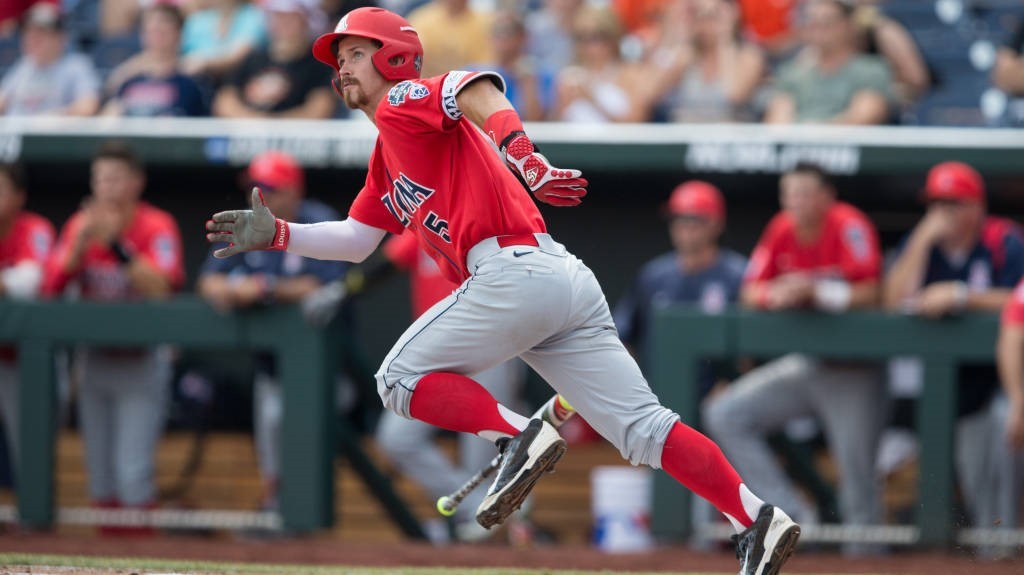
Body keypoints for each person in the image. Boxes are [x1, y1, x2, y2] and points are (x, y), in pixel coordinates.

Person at [205, 8, 799, 573]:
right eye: (340, 58)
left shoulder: (401, 104)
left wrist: (526, 156)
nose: (343, 67)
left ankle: (520, 436)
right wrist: (281, 233)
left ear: (393, 60)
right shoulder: (389, 154)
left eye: (357, 52)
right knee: (647, 429)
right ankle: (754, 516)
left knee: (397, 380)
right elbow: (358, 239)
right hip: (558, 280)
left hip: (513, 271)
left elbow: (476, 87)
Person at [702, 162, 886, 555]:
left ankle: (865, 560)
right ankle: (792, 517)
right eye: (790, 194)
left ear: (826, 196)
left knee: (857, 486)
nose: (796, 202)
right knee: (726, 413)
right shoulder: (782, 227)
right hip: (808, 365)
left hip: (855, 370)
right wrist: (780, 294)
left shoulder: (848, 223)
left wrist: (817, 292)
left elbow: (872, 291)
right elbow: (751, 291)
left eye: (805, 193)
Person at [43, 141, 184, 535]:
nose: (108, 186)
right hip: (95, 360)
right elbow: (50, 288)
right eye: (101, 178)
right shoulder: (78, 225)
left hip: (141, 361)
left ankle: (141, 560)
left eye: (117, 177)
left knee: (133, 472)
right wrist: (79, 245)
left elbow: (162, 287)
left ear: (136, 182)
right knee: (101, 474)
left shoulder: (157, 224)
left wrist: (117, 248)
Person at [883, 161, 1024, 552]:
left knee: (998, 445)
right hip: (941, 385)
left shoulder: (1003, 239)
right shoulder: (922, 241)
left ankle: (1004, 547)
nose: (945, 212)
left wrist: (962, 295)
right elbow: (892, 300)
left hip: (999, 377)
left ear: (977, 205)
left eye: (954, 202)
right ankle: (989, 546)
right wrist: (923, 240)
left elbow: (1020, 295)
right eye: (937, 203)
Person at [198, 150, 346, 511]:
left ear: (293, 191)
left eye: (269, 189)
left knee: (299, 433)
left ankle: (304, 513)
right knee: (271, 433)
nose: (259, 197)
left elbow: (324, 287)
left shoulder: (318, 222)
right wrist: (233, 291)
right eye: (254, 187)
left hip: (328, 370)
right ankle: (277, 509)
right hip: (271, 369)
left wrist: (264, 288)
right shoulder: (245, 223)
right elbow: (207, 283)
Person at [614, 180, 745, 384]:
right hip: (660, 392)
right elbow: (622, 335)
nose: (685, 228)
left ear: (716, 224)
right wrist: (635, 384)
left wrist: (734, 385)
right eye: (679, 219)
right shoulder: (654, 275)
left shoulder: (738, 274)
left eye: (694, 220)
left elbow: (751, 352)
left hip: (718, 394)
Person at [0, 162, 56, 486]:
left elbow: (30, 281)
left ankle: (33, 528)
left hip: (27, 364)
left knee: (30, 452)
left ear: (19, 196)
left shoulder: (34, 227)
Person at [763, 0, 892, 125]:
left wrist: (814, 131)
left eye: (827, 21)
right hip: (797, 141)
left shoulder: (871, 69)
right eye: (812, 21)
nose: (819, 28)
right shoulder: (792, 71)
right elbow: (777, 123)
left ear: (848, 24)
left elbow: (864, 117)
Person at [646, 0, 766, 123]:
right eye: (699, 15)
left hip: (727, 138)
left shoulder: (748, 56)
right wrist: (679, 34)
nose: (706, 23)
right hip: (685, 135)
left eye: (714, 15)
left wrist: (725, 38)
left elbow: (734, 95)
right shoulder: (686, 56)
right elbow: (650, 92)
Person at [212, 0, 335, 119]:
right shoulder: (253, 57)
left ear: (307, 20)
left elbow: (319, 109)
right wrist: (254, 122)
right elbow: (224, 100)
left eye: (291, 17)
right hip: (245, 135)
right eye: (277, 16)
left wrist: (272, 126)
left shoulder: (319, 64)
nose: (283, 23)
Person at [101, 3, 208, 117]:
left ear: (178, 33)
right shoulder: (129, 79)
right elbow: (109, 114)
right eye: (150, 29)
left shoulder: (191, 79)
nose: (156, 28)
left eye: (162, 28)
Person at [0, 2, 101, 117]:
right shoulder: (24, 65)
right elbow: (2, 100)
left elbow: (87, 107)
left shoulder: (76, 66)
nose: (33, 39)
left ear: (61, 38)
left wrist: (53, 118)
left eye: (41, 34)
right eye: (29, 33)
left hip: (53, 133)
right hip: (15, 132)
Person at [554, 6, 650, 123]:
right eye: (580, 37)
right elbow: (555, 124)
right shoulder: (569, 76)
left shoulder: (631, 74)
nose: (587, 45)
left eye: (596, 37)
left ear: (612, 38)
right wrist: (563, 104)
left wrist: (591, 99)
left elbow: (636, 123)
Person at [180, 0, 267, 81]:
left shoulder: (253, 16)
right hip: (197, 82)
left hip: (239, 81)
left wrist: (202, 62)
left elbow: (236, 56)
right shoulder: (198, 20)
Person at [406, 0, 493, 78]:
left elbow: (486, 66)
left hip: (468, 87)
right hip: (429, 88)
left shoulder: (485, 23)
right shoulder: (420, 20)